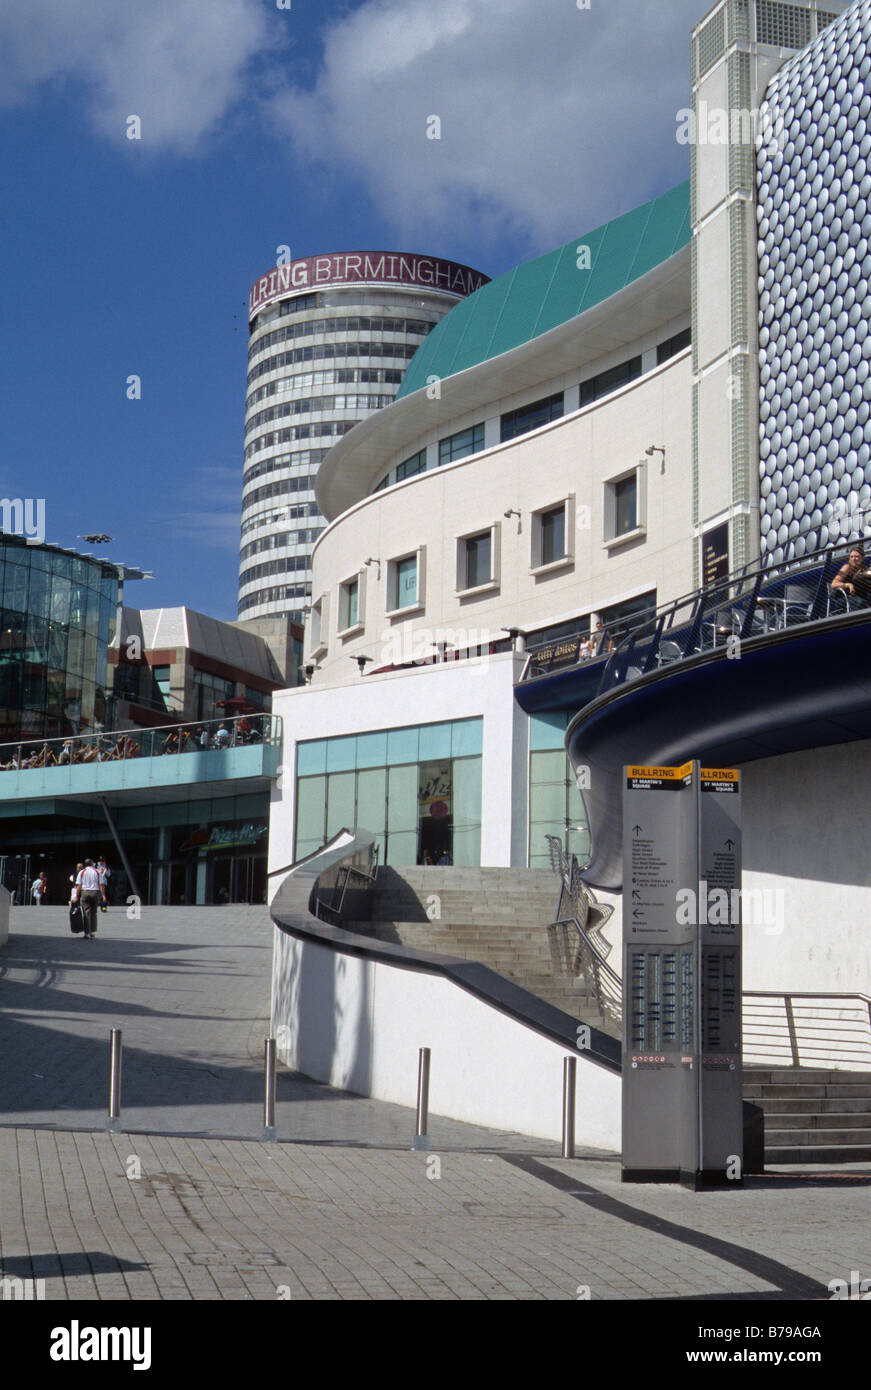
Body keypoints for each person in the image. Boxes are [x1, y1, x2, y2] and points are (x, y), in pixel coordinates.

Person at [73, 859, 101, 938]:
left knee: (86, 913)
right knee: (94, 913)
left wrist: (76, 896)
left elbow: (79, 885)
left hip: (85, 892)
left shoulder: (81, 872)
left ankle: (86, 933)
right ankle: (92, 931)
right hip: (95, 892)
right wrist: (103, 895)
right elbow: (101, 884)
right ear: (92, 863)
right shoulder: (97, 872)